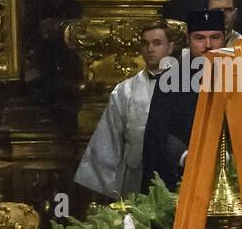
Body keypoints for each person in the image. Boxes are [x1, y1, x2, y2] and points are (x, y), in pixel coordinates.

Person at [75, 20, 175, 199]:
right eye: (145, 44)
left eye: (157, 43)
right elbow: (110, 136)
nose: (150, 49)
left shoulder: (186, 86)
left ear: (170, 47)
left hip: (175, 170)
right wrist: (103, 186)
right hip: (136, 175)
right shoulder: (125, 90)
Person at [141, 9, 226, 190]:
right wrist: (186, 157)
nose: (208, 45)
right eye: (200, 38)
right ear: (189, 40)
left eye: (215, 37)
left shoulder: (238, 76)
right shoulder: (169, 80)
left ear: (225, 39)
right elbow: (157, 133)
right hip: (181, 176)